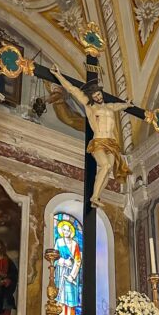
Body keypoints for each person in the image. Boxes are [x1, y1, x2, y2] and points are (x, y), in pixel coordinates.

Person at [50, 65, 132, 208]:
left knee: (107, 172)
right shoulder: (90, 107)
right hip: (99, 141)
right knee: (105, 165)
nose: (98, 97)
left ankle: (97, 197)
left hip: (112, 143)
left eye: (99, 95)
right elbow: (72, 90)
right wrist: (58, 75)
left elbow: (120, 106)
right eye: (95, 96)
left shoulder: (110, 107)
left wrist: (127, 105)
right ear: (91, 98)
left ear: (101, 93)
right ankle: (94, 197)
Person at [54, 219, 82, 315]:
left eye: (68, 230)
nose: (66, 232)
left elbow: (78, 260)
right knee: (61, 296)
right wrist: (62, 261)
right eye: (64, 230)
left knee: (70, 297)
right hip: (60, 272)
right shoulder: (59, 242)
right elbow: (54, 256)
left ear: (71, 232)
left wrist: (72, 276)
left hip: (71, 273)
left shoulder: (75, 244)